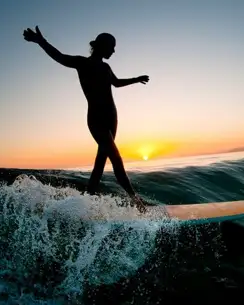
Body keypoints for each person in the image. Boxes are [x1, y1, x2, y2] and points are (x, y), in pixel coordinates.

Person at [23, 26, 149, 212]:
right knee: (115, 157)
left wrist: (136, 79)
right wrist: (40, 41)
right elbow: (59, 56)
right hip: (96, 119)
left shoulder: (106, 67)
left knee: (100, 163)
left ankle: (86, 203)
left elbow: (116, 83)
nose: (114, 50)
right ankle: (135, 200)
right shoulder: (83, 63)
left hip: (112, 117)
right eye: (112, 46)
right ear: (102, 46)